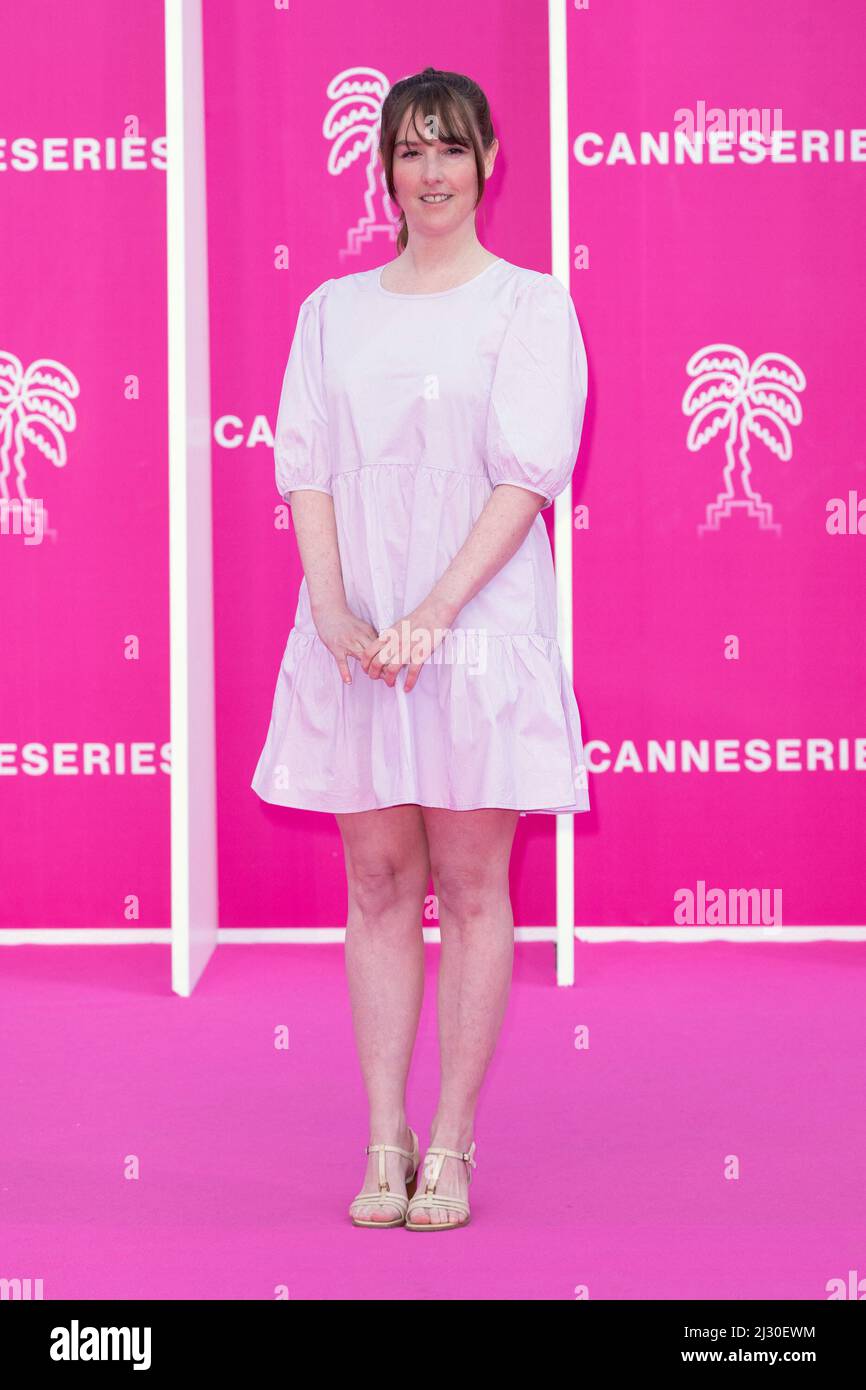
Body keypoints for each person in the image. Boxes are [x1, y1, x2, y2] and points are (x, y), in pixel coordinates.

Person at [251, 66, 590, 1230]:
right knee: (376, 880)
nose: (430, 171)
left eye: (450, 148)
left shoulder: (528, 305)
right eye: (409, 150)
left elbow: (522, 476)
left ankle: (451, 1138)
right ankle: (383, 1133)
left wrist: (434, 614)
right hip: (353, 635)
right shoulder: (332, 311)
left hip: (473, 626)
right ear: (385, 169)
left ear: (489, 159)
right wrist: (337, 611)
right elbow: (304, 466)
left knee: (470, 881)